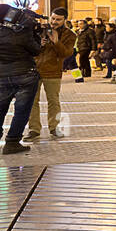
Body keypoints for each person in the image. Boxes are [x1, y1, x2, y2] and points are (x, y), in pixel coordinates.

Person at [0, 4, 43, 154]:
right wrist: (32, 32)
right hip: (25, 75)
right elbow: (36, 50)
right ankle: (12, 142)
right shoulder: (20, 32)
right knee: (22, 110)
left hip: (3, 76)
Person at [25, 8, 75, 140]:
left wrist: (56, 42)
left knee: (53, 101)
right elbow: (27, 48)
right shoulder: (39, 30)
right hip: (34, 70)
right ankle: (34, 129)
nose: (54, 22)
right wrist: (38, 44)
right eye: (53, 18)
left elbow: (66, 53)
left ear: (65, 20)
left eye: (58, 19)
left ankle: (54, 127)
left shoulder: (70, 35)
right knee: (32, 101)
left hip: (53, 71)